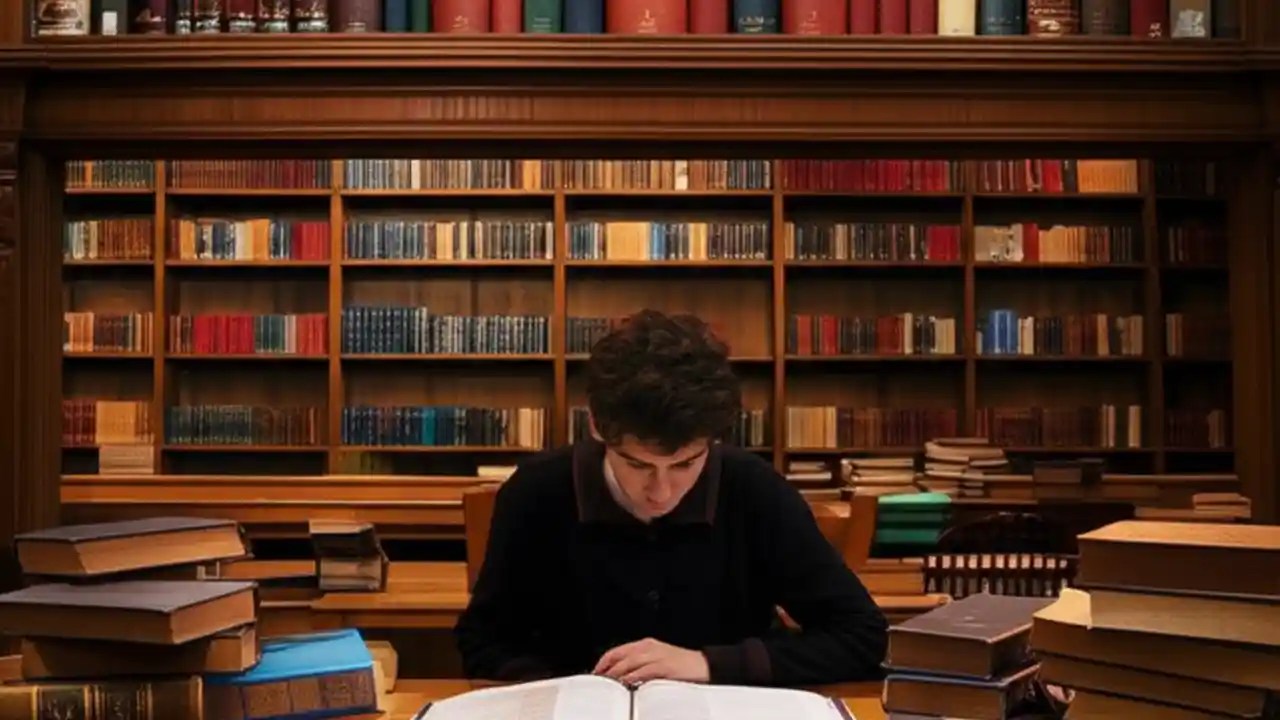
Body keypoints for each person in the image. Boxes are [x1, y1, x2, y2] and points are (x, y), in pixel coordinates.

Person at [454, 309, 888, 688]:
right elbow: (483, 639)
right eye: (639, 465)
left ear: (713, 441)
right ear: (596, 427)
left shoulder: (755, 490)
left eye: (685, 465)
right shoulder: (536, 493)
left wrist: (706, 664)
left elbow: (861, 634)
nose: (661, 493)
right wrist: (562, 691)